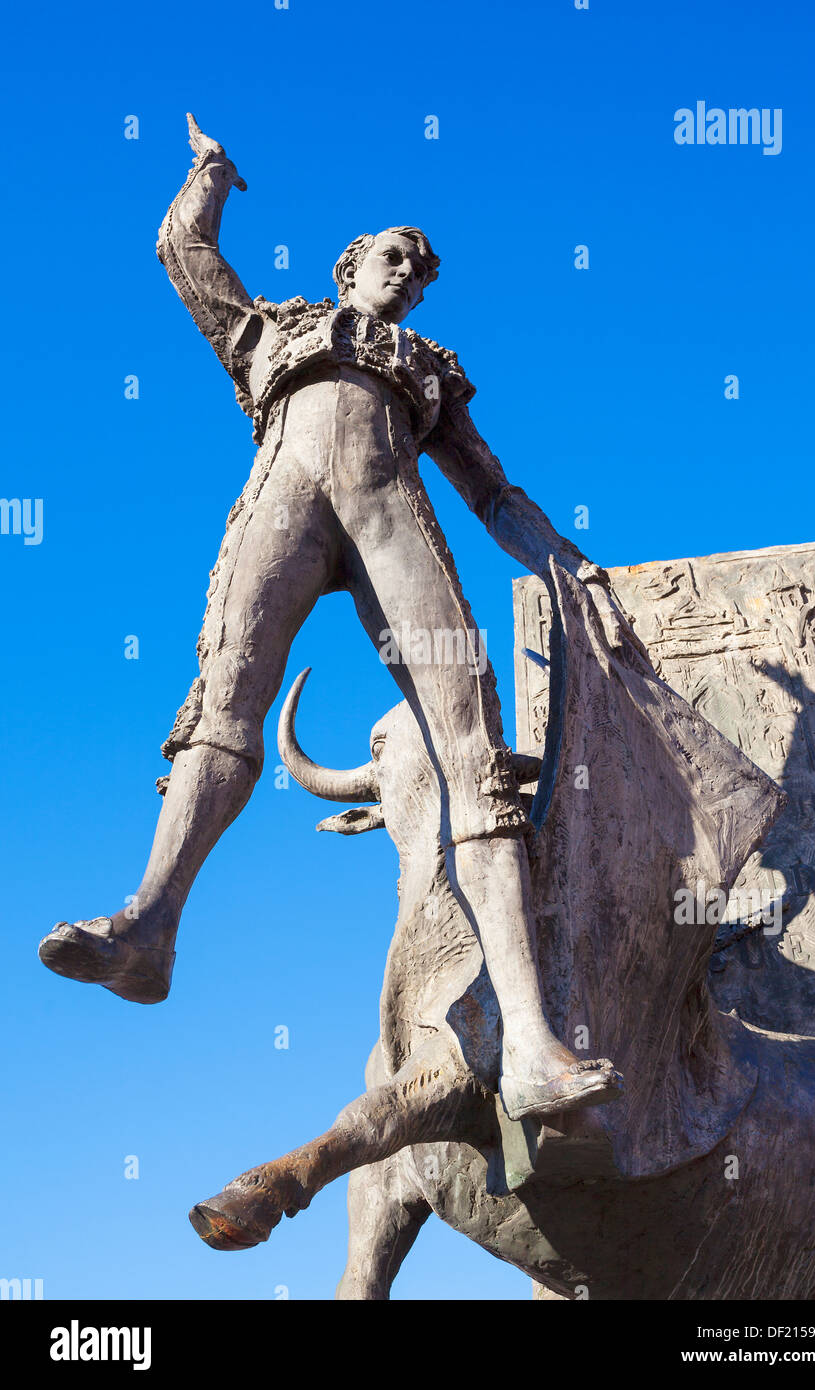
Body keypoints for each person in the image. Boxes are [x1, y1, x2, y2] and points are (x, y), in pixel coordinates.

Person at [39, 115, 642, 1121]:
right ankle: (149, 929)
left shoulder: (430, 369)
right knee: (223, 700)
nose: (408, 275)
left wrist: (567, 563)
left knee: (470, 750)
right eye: (393, 257)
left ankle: (531, 1040)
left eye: (420, 270)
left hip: (393, 517)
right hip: (281, 500)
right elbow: (183, 253)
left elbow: (493, 492)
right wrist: (212, 174)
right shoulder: (273, 330)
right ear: (351, 263)